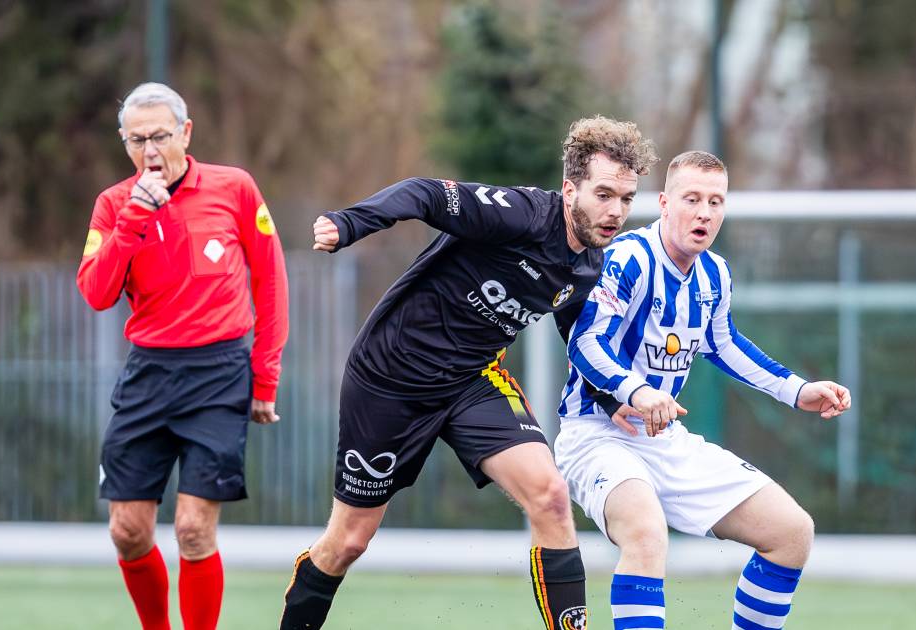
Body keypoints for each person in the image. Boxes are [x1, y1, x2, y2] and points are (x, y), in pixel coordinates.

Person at [279, 116, 658, 629]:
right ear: (570, 189)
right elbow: (425, 194)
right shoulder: (521, 215)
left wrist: (611, 398)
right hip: (389, 379)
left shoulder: (590, 264)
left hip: (472, 383)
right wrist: (351, 223)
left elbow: (575, 331)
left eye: (626, 199)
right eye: (604, 194)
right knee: (348, 542)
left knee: (550, 496)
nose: (615, 211)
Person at [556, 150, 852, 630]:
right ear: (665, 203)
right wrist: (635, 391)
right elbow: (585, 342)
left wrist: (798, 390)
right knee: (646, 534)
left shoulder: (715, 273)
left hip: (665, 440)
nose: (705, 213)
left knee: (792, 532)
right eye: (692, 199)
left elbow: (724, 343)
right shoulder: (629, 258)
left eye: (716, 202)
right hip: (596, 435)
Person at [76, 82, 289, 630]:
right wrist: (133, 219)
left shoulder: (234, 187)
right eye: (137, 140)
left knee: (194, 530)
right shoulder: (113, 205)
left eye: (160, 137)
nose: (150, 151)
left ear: (185, 133)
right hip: (148, 373)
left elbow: (270, 284)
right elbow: (96, 293)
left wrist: (265, 378)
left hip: (219, 375)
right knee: (127, 531)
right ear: (124, 142)